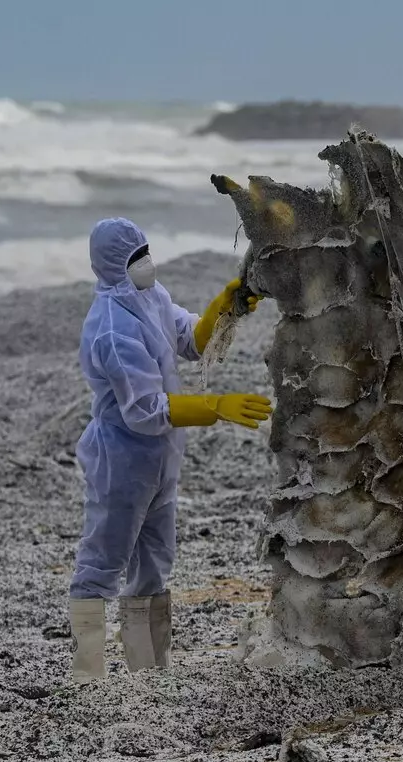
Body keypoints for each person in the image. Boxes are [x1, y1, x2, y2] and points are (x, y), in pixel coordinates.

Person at [68, 217, 273, 682]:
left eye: (145, 250)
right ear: (114, 265)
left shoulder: (149, 297)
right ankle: (87, 676)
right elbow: (143, 409)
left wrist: (226, 307)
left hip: (159, 460)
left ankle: (150, 673)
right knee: (103, 560)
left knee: (154, 563)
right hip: (121, 460)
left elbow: (190, 340)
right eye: (134, 256)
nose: (146, 262)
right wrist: (215, 406)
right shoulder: (111, 330)